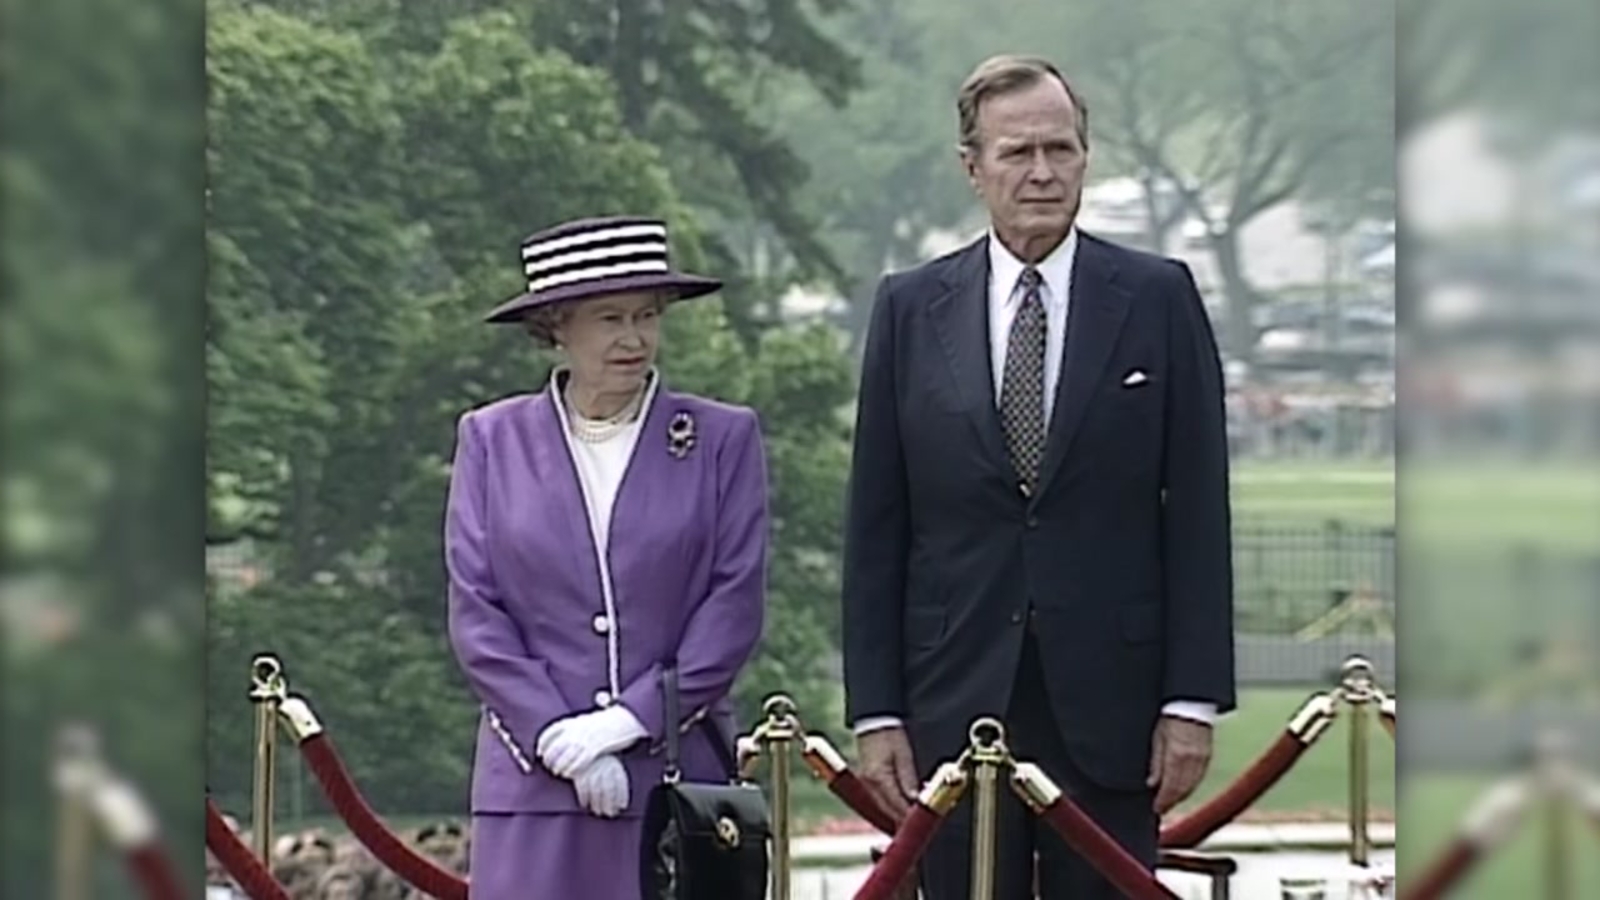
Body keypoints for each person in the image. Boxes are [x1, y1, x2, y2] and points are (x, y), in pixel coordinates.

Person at [840, 55, 1235, 900]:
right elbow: (877, 521)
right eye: (1017, 153)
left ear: (1088, 156)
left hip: (1114, 710)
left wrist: (1193, 701)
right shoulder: (910, 309)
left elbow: (1199, 513)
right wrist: (876, 713)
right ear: (972, 168)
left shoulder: (1158, 298)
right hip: (951, 701)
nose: (1043, 172)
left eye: (1062, 148)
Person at [444, 215, 769, 899]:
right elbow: (478, 613)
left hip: (677, 787)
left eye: (647, 316)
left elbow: (733, 603)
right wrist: (555, 735)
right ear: (557, 326)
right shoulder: (491, 439)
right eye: (610, 318)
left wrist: (629, 722)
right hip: (533, 787)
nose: (634, 338)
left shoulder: (721, 438)